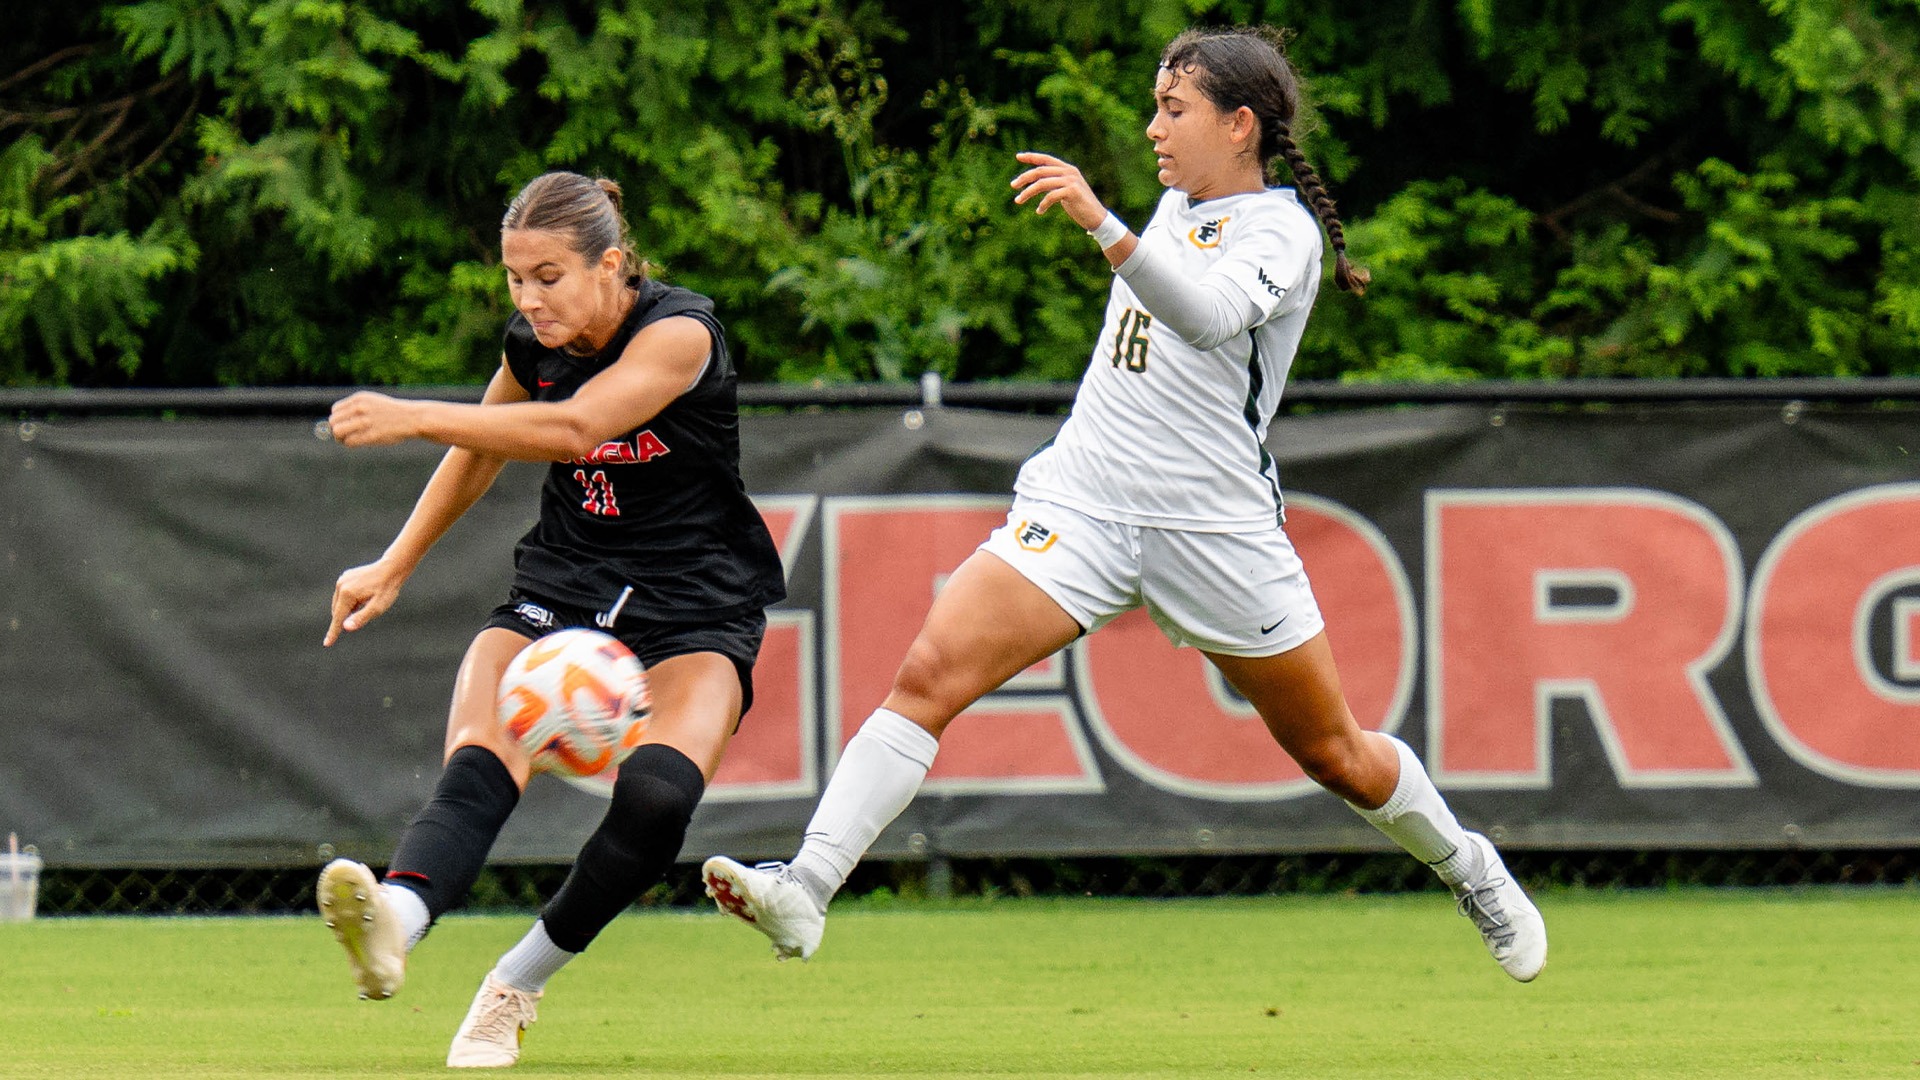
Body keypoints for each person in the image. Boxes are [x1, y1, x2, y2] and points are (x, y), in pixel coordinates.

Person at [701, 25, 1546, 983]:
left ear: (1239, 126)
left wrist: (1104, 224)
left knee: (1336, 753)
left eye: (1173, 109)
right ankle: (807, 888)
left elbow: (1208, 316)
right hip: (1086, 502)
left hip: (1216, 530)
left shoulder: (1282, 231)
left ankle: (1470, 866)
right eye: (1155, 105)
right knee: (928, 676)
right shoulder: (1181, 202)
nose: (1152, 128)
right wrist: (1124, 224)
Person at [316, 170, 787, 1067]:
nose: (529, 299)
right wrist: (396, 560)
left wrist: (411, 412)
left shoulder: (680, 334)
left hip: (695, 599)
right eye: (513, 279)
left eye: (548, 277)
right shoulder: (535, 346)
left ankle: (515, 984)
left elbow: (574, 429)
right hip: (565, 582)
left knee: (655, 803)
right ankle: (396, 922)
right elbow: (478, 453)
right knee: (482, 757)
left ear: (612, 264)